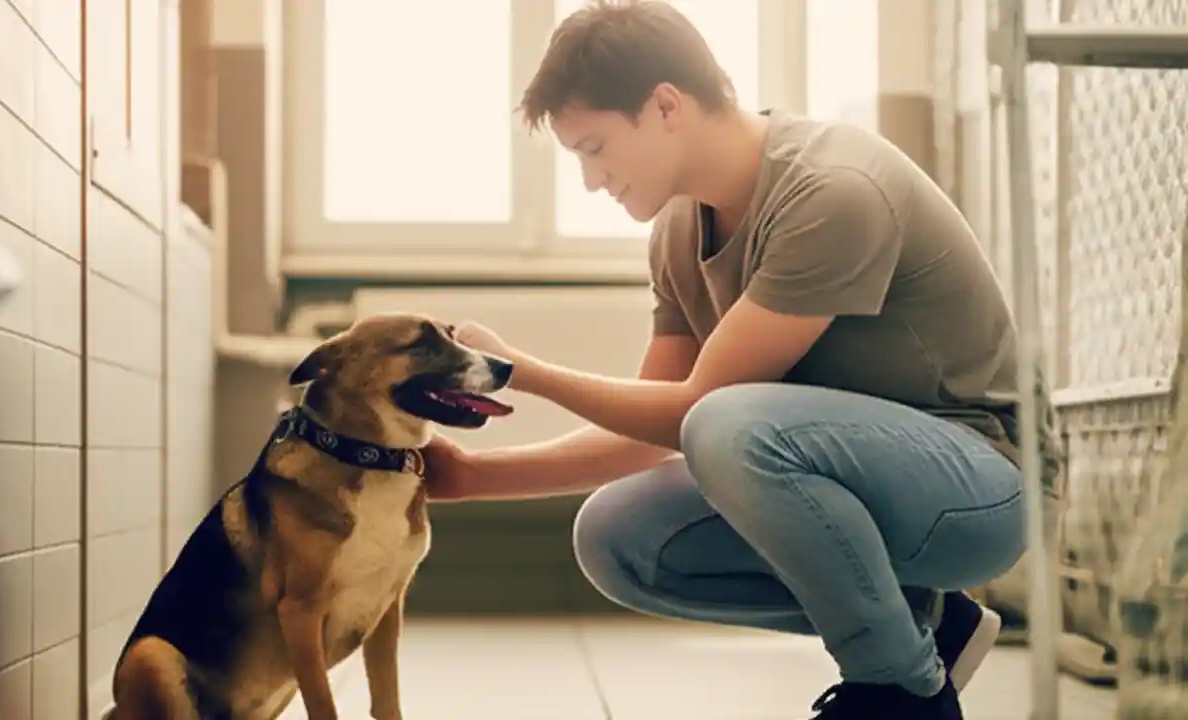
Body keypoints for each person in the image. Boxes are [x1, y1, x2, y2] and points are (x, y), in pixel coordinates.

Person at [423, 2, 1060, 718]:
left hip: (985, 490)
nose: (591, 181)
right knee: (617, 537)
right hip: (870, 487)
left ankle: (901, 693)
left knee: (729, 423)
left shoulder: (832, 190)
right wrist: (472, 478)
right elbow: (648, 426)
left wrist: (520, 370)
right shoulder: (676, 230)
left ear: (666, 105)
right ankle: (926, 626)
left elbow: (703, 409)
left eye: (595, 148)